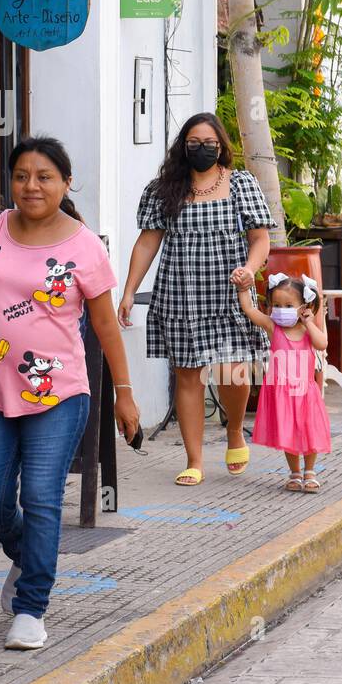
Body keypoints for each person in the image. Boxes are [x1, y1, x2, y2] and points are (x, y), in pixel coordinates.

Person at [0, 136, 139, 652]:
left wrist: (124, 392)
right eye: (22, 175)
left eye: (45, 176)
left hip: (59, 393)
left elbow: (105, 327)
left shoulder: (84, 247)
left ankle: (31, 607)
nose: (32, 186)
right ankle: (29, 556)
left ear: (65, 183)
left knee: (43, 499)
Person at [118, 113, 275, 486]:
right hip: (181, 293)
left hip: (231, 291)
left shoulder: (241, 184)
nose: (202, 149)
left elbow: (260, 238)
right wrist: (127, 291)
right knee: (187, 376)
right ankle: (194, 459)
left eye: (209, 143)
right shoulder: (163, 189)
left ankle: (235, 430)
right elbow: (147, 243)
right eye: (194, 143)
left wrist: (251, 269)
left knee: (233, 370)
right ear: (182, 146)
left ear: (221, 147)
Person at [238, 273, 330, 492]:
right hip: (282, 393)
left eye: (289, 305)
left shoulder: (307, 330)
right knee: (288, 433)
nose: (282, 309)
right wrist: (243, 290)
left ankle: (310, 471)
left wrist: (311, 321)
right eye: (277, 304)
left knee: (309, 432)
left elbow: (322, 343)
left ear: (304, 306)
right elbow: (250, 310)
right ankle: (295, 473)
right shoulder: (273, 328)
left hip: (305, 392)